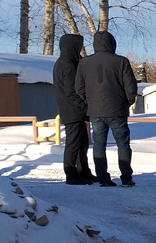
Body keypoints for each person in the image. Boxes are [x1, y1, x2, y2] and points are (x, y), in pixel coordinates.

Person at [74, 30, 139, 187]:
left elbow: (78, 87)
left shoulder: (84, 63)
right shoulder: (121, 61)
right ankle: (126, 177)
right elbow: (131, 86)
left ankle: (102, 178)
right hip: (117, 110)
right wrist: (127, 102)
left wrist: (89, 101)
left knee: (98, 144)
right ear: (112, 43)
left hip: (95, 110)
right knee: (122, 144)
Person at [52, 33, 93, 185]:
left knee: (82, 142)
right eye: (79, 46)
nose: (81, 49)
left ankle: (83, 171)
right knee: (73, 143)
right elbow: (71, 91)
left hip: (74, 110)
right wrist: (84, 106)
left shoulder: (65, 62)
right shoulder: (68, 65)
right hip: (73, 110)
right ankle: (71, 173)